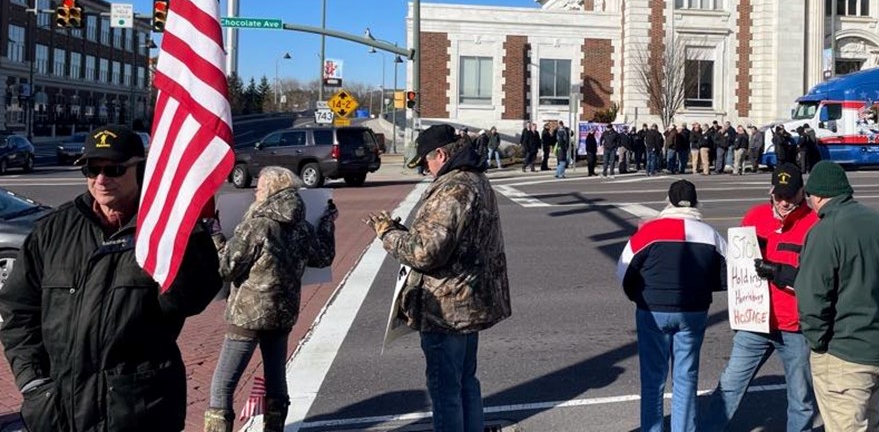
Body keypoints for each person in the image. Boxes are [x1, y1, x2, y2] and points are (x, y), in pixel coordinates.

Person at [0, 125, 222, 431]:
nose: (101, 180)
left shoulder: (163, 229)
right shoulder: (53, 231)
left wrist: (188, 235)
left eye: (114, 169)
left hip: (137, 410)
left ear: (139, 169)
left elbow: (190, 298)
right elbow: (17, 310)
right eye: (92, 169)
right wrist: (33, 382)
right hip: (60, 410)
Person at [369, 124, 511, 432]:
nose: (425, 168)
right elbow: (451, 243)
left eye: (426, 161)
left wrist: (389, 235)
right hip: (468, 299)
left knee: (446, 390)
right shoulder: (476, 180)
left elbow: (425, 252)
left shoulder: (454, 188)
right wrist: (405, 233)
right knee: (465, 382)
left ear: (441, 154)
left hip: (447, 307)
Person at [204, 167, 337, 432]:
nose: (255, 190)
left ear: (272, 189)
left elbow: (227, 267)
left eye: (260, 186)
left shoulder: (258, 224)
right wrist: (327, 223)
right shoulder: (301, 226)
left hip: (248, 314)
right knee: (275, 380)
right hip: (283, 313)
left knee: (223, 384)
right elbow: (322, 257)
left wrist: (215, 234)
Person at [700, 164, 819, 432]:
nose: (785, 202)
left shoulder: (814, 224)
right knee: (729, 385)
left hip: (795, 326)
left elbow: (819, 279)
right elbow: (737, 262)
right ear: (771, 193)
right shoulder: (755, 216)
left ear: (803, 193)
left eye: (791, 196)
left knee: (800, 397)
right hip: (755, 322)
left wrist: (781, 274)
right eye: (779, 196)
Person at [796, 160, 879, 432]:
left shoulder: (824, 231)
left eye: (809, 196)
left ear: (819, 196)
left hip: (844, 353)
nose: (808, 202)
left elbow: (811, 298)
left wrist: (818, 342)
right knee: (872, 422)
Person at [617, 180, 727, 432]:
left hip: (652, 310)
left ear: (668, 201)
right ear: (696, 203)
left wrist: (638, 297)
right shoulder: (709, 234)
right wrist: (703, 288)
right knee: (686, 377)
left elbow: (623, 272)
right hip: (693, 311)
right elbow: (728, 273)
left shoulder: (649, 232)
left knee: (652, 380)